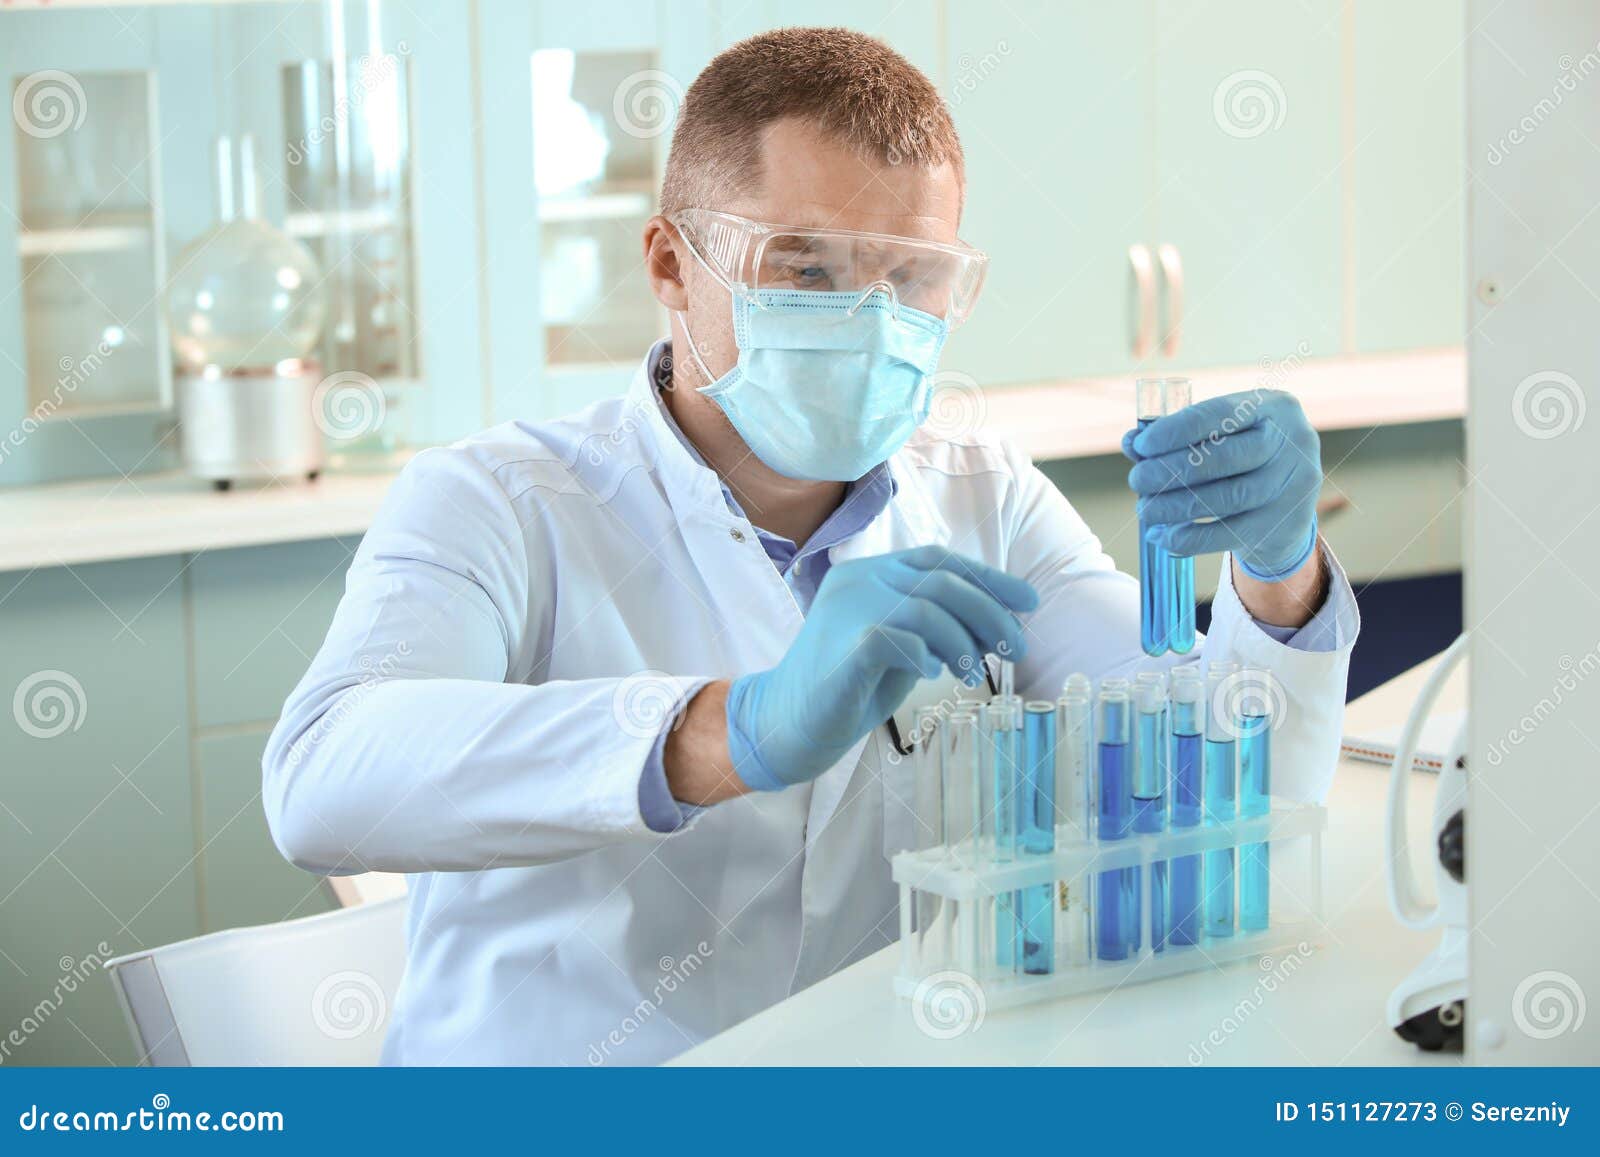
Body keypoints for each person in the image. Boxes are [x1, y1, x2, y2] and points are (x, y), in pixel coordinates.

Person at [263, 26, 1357, 1066]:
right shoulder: (499, 500)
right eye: (805, 268)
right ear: (669, 263)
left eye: (913, 277)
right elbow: (323, 779)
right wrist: (727, 731)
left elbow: (1227, 795)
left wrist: (1276, 577)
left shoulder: (989, 501)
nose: (872, 321)